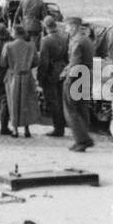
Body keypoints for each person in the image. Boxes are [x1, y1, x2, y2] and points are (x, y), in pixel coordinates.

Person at [61, 17, 95, 152]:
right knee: (82, 108)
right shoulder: (86, 40)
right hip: (86, 75)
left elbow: (74, 62)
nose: (66, 29)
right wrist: (64, 71)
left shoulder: (76, 41)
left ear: (74, 26)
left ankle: (82, 140)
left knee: (70, 109)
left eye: (68, 27)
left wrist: (67, 77)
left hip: (77, 76)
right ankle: (83, 137)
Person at [0, 25, 40, 137]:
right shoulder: (31, 46)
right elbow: (36, 62)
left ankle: (15, 130)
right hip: (27, 76)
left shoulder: (7, 46)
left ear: (15, 33)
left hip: (13, 76)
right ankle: (27, 130)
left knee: (13, 102)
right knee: (27, 102)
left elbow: (3, 63)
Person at [37, 19, 69, 137]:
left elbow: (43, 61)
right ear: (55, 26)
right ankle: (62, 127)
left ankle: (58, 129)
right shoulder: (64, 38)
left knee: (53, 101)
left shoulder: (46, 41)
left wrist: (39, 78)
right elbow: (67, 58)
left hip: (50, 73)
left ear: (45, 27)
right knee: (61, 100)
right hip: (62, 71)